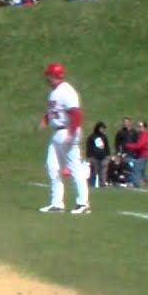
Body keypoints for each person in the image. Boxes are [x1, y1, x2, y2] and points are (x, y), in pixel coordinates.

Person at [39, 63, 90, 213]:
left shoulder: (67, 91)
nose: (46, 78)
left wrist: (72, 132)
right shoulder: (53, 91)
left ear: (52, 76)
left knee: (75, 168)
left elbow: (76, 113)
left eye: (48, 75)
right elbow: (53, 110)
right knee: (52, 167)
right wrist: (45, 120)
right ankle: (57, 203)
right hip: (56, 132)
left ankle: (83, 203)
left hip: (67, 131)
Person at [85, 121, 111, 188]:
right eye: (102, 128)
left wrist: (108, 156)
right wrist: (89, 156)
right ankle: (92, 184)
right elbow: (89, 147)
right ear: (98, 128)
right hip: (94, 157)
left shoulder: (104, 137)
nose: (103, 130)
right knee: (94, 171)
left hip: (103, 157)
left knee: (103, 171)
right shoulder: (92, 137)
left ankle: (102, 183)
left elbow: (107, 147)